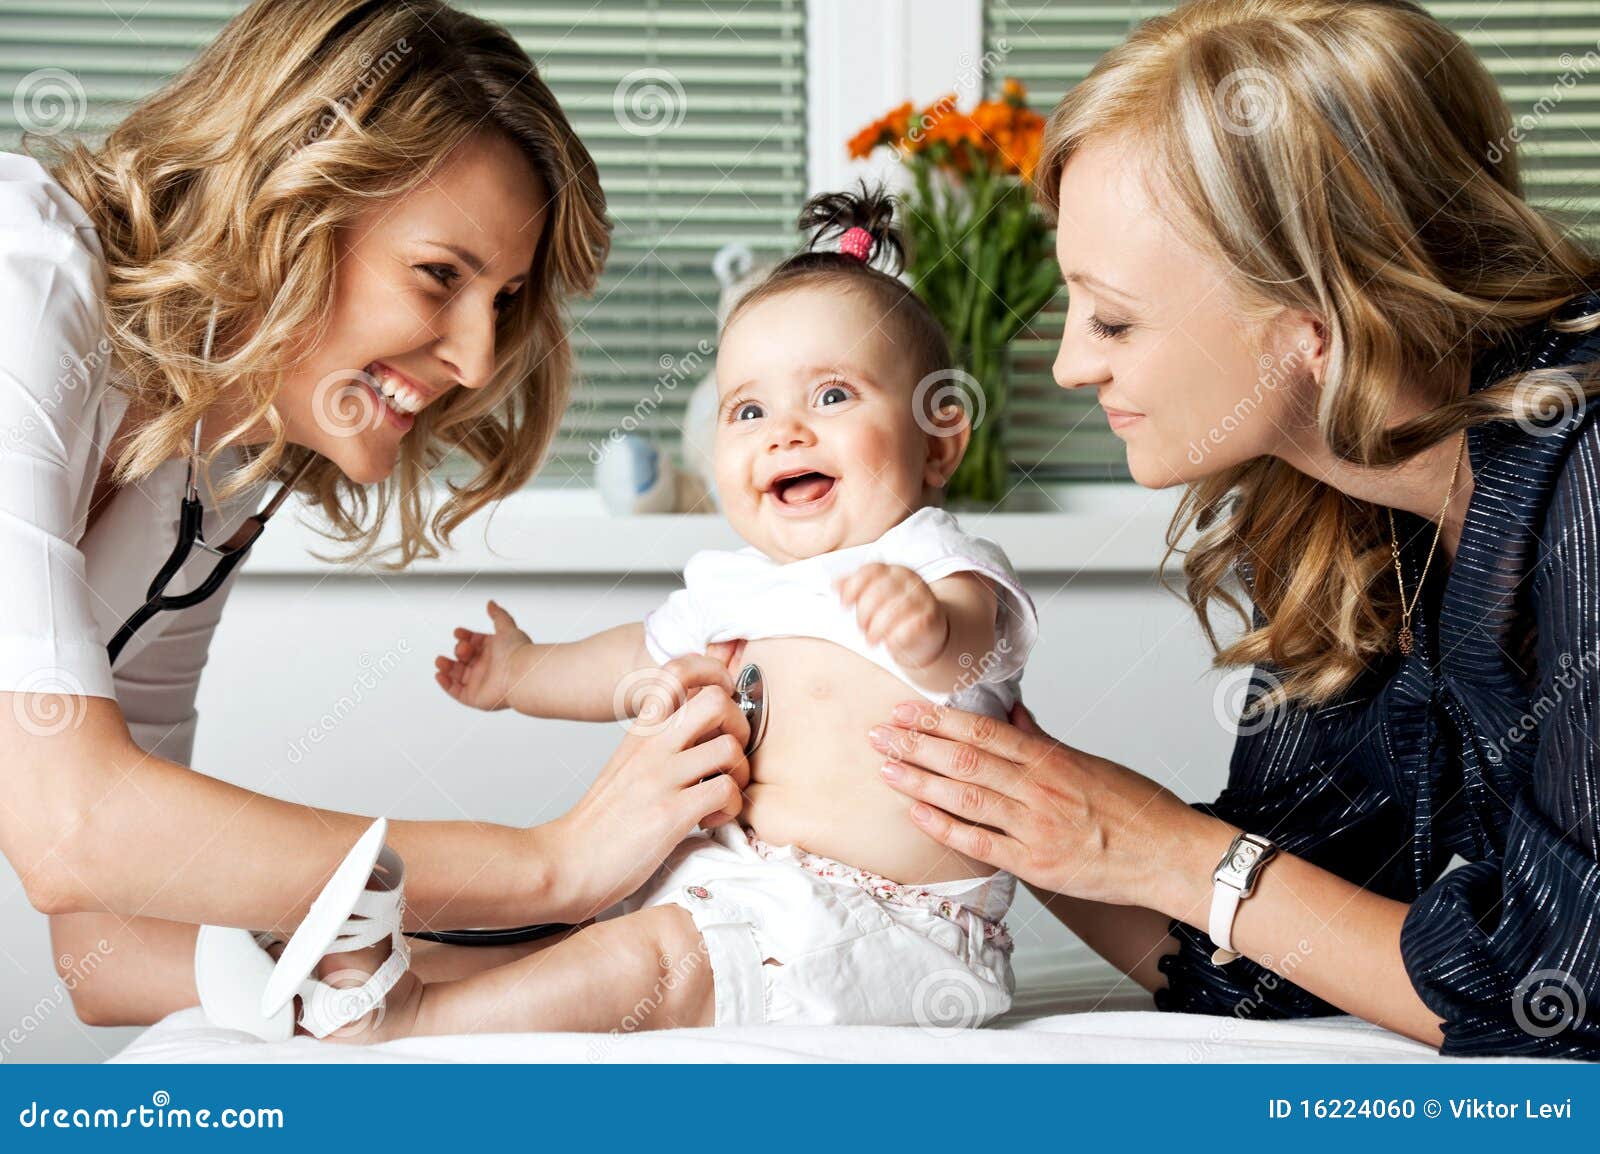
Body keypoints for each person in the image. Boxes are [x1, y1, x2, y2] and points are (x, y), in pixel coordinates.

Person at [0, 0, 749, 1029]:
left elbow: (110, 940)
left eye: (502, 302)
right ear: (286, 200)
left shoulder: (219, 474)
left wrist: (554, 960)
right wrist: (548, 865)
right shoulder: (24, 280)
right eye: (440, 275)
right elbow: (71, 827)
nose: (480, 360)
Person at [873, 0, 1600, 1059]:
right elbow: (1276, 943)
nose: (1071, 365)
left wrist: (1165, 848)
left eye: (1112, 316)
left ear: (1319, 318)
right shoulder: (1333, 506)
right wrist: (1007, 791)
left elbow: (1557, 996)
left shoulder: (1582, 471)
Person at [211, 186, 1039, 1039]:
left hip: (888, 931)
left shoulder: (928, 561)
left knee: (651, 963)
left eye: (832, 396)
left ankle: (411, 1022)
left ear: (939, 440)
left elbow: (978, 641)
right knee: (587, 948)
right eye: (748, 410)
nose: (785, 432)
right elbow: (628, 660)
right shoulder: (735, 587)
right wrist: (522, 672)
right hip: (731, 891)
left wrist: (928, 626)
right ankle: (365, 973)